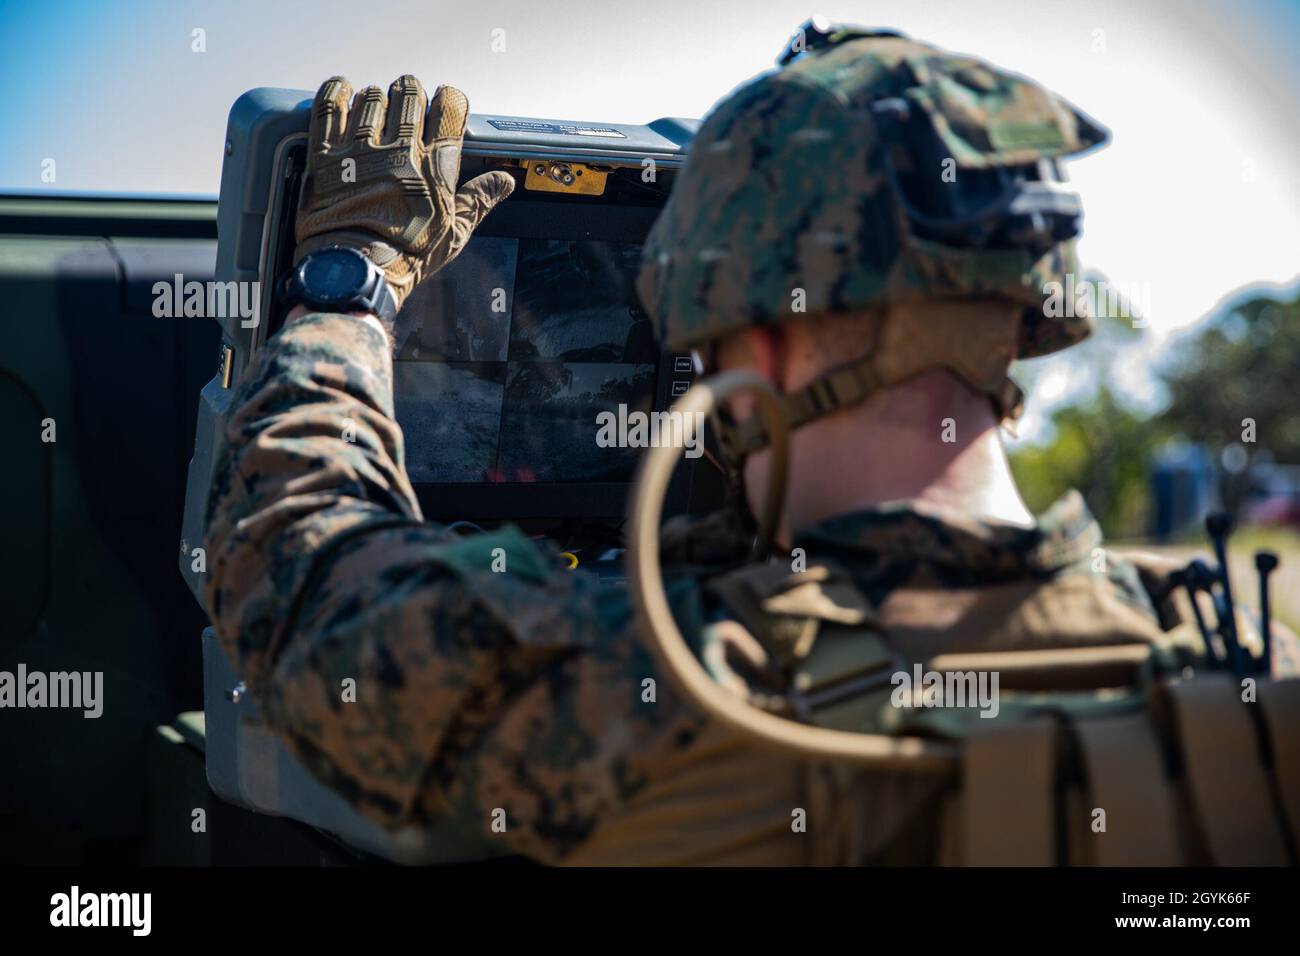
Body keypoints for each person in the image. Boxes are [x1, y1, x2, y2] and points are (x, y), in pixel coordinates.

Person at [204, 30, 1296, 866]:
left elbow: (298, 573)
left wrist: (350, 280)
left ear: (762, 348)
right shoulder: (1238, 662)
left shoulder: (681, 688)